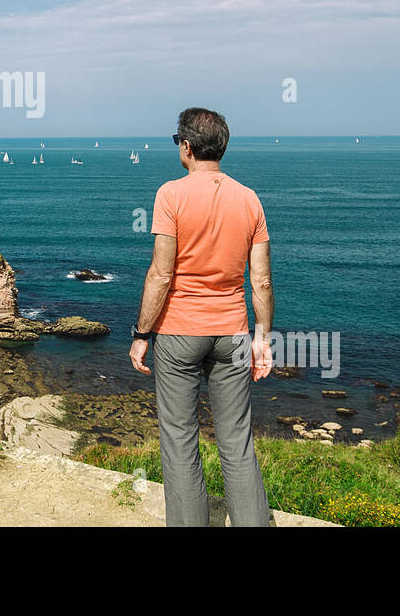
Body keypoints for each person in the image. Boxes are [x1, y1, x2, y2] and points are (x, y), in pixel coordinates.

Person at [128, 107, 274, 527]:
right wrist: (262, 339)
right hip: (232, 333)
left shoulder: (170, 195)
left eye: (178, 143)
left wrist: (142, 333)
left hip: (179, 334)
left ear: (187, 147)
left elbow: (160, 273)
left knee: (179, 441)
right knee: (237, 444)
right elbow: (260, 282)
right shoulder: (249, 199)